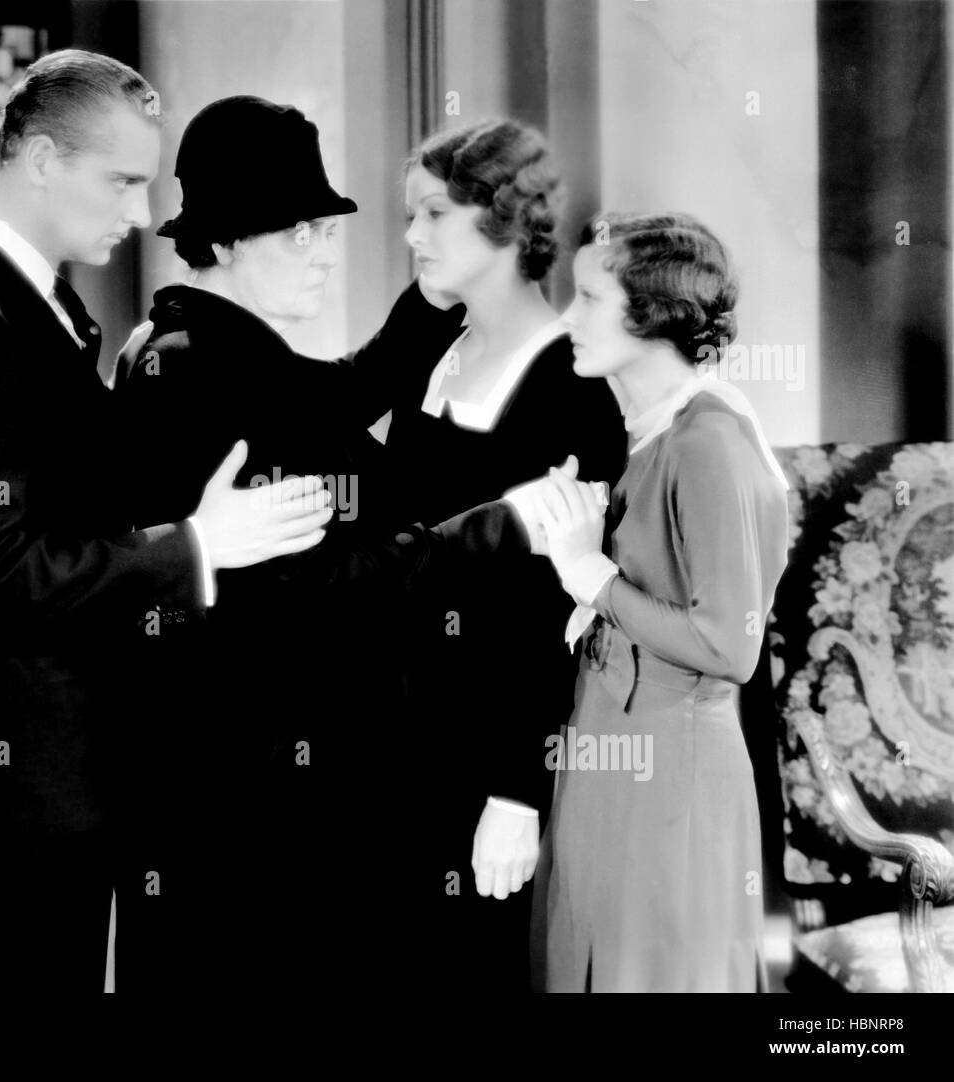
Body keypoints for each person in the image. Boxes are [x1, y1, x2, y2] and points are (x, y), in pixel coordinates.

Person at [0, 52, 333, 994]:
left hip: (47, 762)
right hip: (26, 771)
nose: (139, 216)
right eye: (123, 182)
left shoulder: (25, 298)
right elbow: (0, 565)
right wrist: (201, 547)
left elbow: (65, 490)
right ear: (41, 159)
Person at [113, 96, 546, 990]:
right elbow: (312, 584)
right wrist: (500, 526)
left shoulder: (201, 339)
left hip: (245, 785)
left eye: (323, 229)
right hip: (261, 807)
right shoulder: (200, 371)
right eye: (294, 234)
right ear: (225, 241)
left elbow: (336, 394)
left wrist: (430, 305)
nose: (321, 251)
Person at [379, 119, 627, 989]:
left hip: (494, 761)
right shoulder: (433, 357)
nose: (411, 236)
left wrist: (517, 792)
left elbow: (558, 614)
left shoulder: (573, 384)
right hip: (402, 744)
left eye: (433, 214)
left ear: (504, 222)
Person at [529, 212, 790, 992]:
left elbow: (730, 646)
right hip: (609, 755)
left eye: (587, 298)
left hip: (672, 783)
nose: (568, 317)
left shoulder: (708, 443)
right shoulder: (649, 434)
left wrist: (590, 576)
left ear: (650, 314)